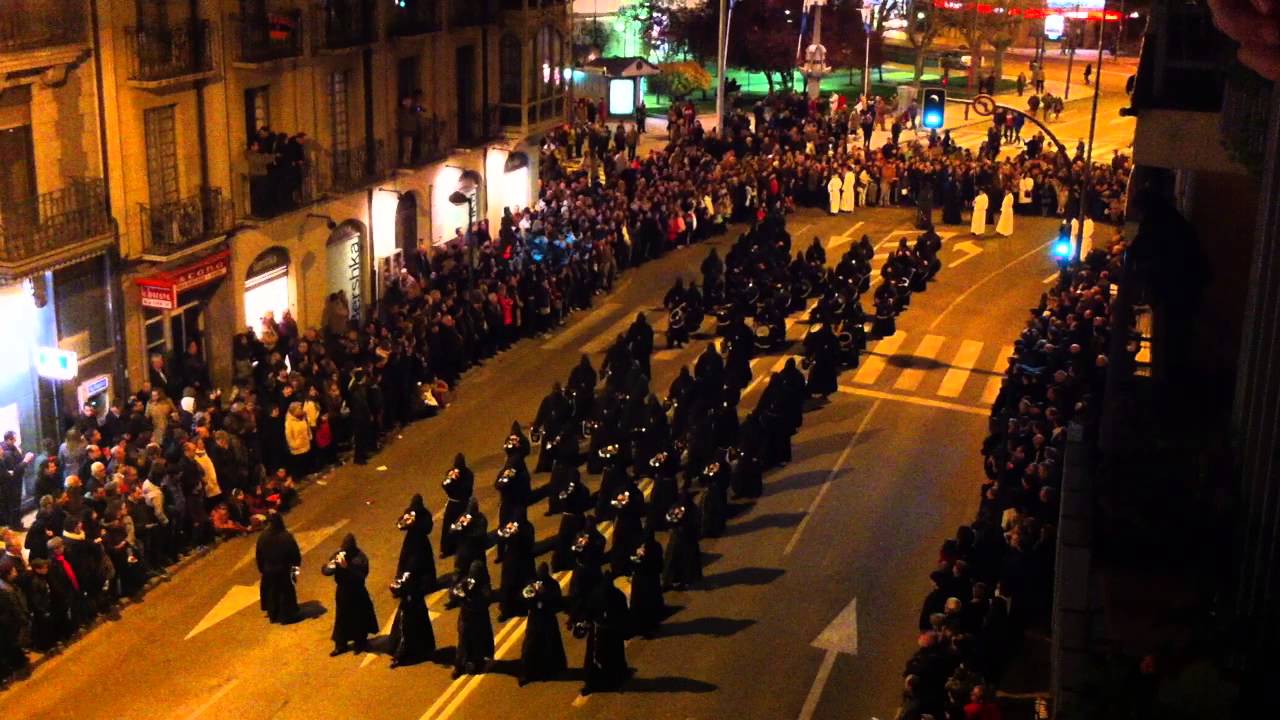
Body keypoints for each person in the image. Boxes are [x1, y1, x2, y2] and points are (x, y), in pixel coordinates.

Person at [321, 533, 377, 655]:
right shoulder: (339, 554)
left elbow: (361, 576)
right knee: (342, 618)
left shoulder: (360, 557)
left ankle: (360, 642)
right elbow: (326, 570)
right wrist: (333, 565)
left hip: (357, 591)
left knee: (358, 618)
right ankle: (341, 644)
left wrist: (347, 567)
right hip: (343, 591)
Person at [579, 570, 630, 695]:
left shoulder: (599, 594)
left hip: (606, 631)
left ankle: (611, 682)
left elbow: (589, 611)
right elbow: (624, 614)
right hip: (603, 631)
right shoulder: (616, 595)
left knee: (608, 657)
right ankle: (593, 683)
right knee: (599, 657)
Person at [520, 562, 567, 684]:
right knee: (529, 646)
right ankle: (526, 673)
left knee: (548, 647)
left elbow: (558, 604)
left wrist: (544, 595)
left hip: (547, 619)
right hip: (535, 619)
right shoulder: (531, 583)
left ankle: (547, 672)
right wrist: (533, 596)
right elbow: (525, 600)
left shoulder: (553, 585)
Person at [452, 559, 495, 678]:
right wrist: (457, 592)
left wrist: (466, 598)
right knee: (462, 644)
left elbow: (481, 604)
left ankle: (476, 663)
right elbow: (455, 591)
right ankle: (459, 666)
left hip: (478, 621)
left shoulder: (485, 588)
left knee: (477, 644)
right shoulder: (467, 581)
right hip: (465, 620)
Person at [256, 512, 301, 624]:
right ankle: (286, 616)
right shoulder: (286, 536)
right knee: (285, 593)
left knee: (272, 593)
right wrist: (296, 570)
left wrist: (262, 569)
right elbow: (295, 555)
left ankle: (273, 615)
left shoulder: (263, 537)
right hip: (284, 570)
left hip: (269, 570)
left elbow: (259, 555)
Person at [388, 567, 436, 668]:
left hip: (412, 615)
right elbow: (396, 590)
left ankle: (399, 656)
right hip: (410, 612)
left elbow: (398, 590)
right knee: (406, 632)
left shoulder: (414, 592)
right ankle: (401, 653)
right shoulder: (411, 589)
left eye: (405, 580)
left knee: (406, 634)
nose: (402, 581)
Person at [396, 494, 437, 593]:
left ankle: (425, 585)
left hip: (420, 542)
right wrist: (404, 520)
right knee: (405, 560)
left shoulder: (425, 514)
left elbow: (427, 528)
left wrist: (415, 523)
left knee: (418, 563)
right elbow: (400, 524)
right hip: (411, 540)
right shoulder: (409, 511)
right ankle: (402, 582)